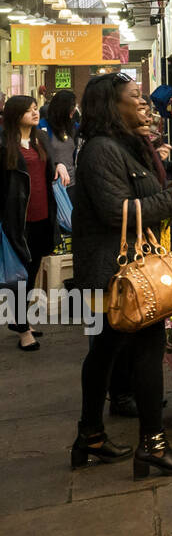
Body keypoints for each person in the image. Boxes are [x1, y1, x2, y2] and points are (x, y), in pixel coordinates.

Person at [71, 72, 172, 477]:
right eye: (135, 97)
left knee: (106, 348)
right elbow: (118, 212)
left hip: (136, 264)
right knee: (144, 348)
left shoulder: (132, 145)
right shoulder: (100, 151)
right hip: (117, 271)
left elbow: (149, 200)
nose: (144, 104)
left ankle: (90, 436)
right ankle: (152, 445)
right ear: (112, 106)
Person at [1, 95, 65, 351]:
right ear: (16, 115)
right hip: (17, 220)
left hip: (42, 217)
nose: (35, 113)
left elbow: (47, 170)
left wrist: (59, 165)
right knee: (20, 276)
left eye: (36, 108)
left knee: (33, 270)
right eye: (29, 110)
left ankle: (20, 320)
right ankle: (23, 329)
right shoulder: (5, 145)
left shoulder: (40, 140)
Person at [43, 89, 80, 193]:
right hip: (52, 183)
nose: (74, 109)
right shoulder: (42, 127)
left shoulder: (74, 127)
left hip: (72, 183)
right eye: (72, 106)